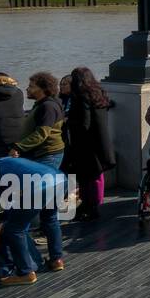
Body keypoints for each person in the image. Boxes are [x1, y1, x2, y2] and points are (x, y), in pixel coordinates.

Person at [0, 154, 67, 284]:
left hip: (40, 186)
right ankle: (56, 260)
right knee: (50, 218)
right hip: (61, 179)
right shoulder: (9, 163)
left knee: (13, 230)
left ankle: (25, 273)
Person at [60, 67, 114, 222]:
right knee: (95, 175)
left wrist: (68, 121)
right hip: (99, 140)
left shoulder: (81, 96)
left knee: (85, 177)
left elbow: (84, 122)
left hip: (85, 143)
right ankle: (94, 206)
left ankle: (89, 208)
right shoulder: (99, 92)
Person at [16, 72, 66, 172]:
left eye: (31, 86)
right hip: (42, 154)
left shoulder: (48, 107)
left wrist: (19, 147)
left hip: (47, 155)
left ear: (43, 89)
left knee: (41, 186)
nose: (27, 89)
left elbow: (41, 133)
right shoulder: (41, 104)